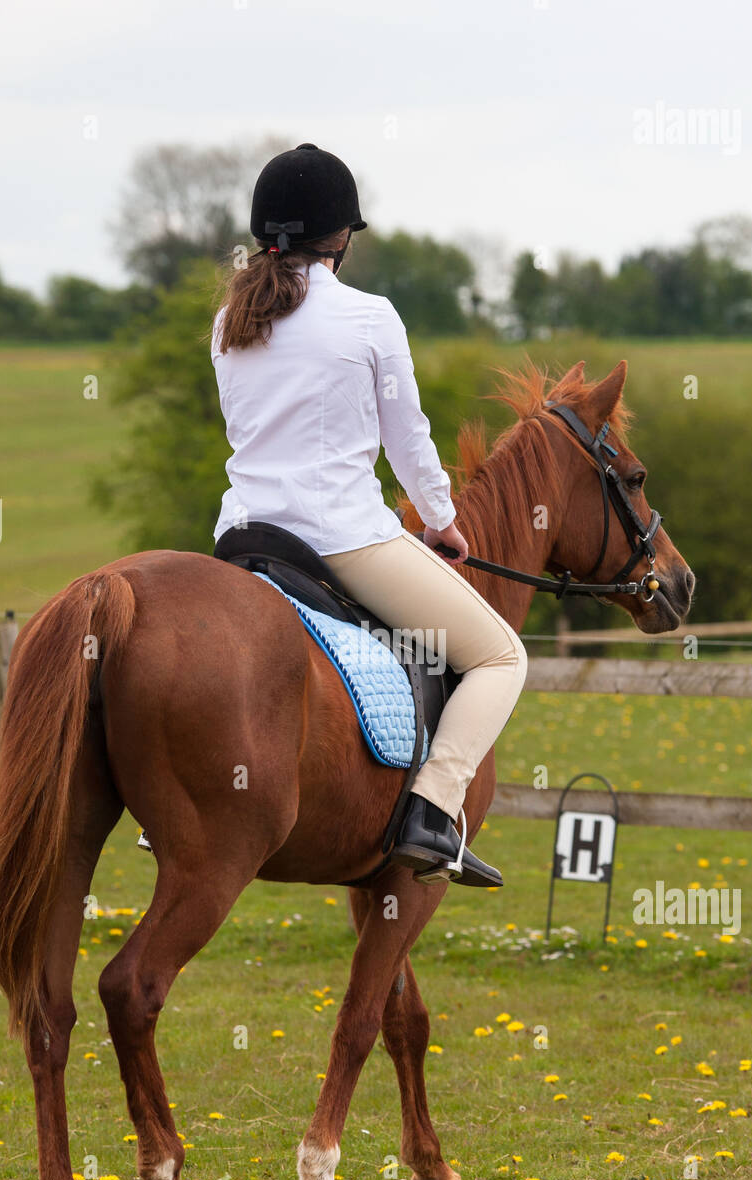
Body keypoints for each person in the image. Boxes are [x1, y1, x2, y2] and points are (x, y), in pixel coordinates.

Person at [211, 142, 528, 887]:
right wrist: (442, 519)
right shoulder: (368, 317)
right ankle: (433, 810)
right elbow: (408, 441)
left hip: (242, 538)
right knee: (501, 656)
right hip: (340, 540)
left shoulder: (232, 322)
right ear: (341, 237)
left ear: (266, 235)